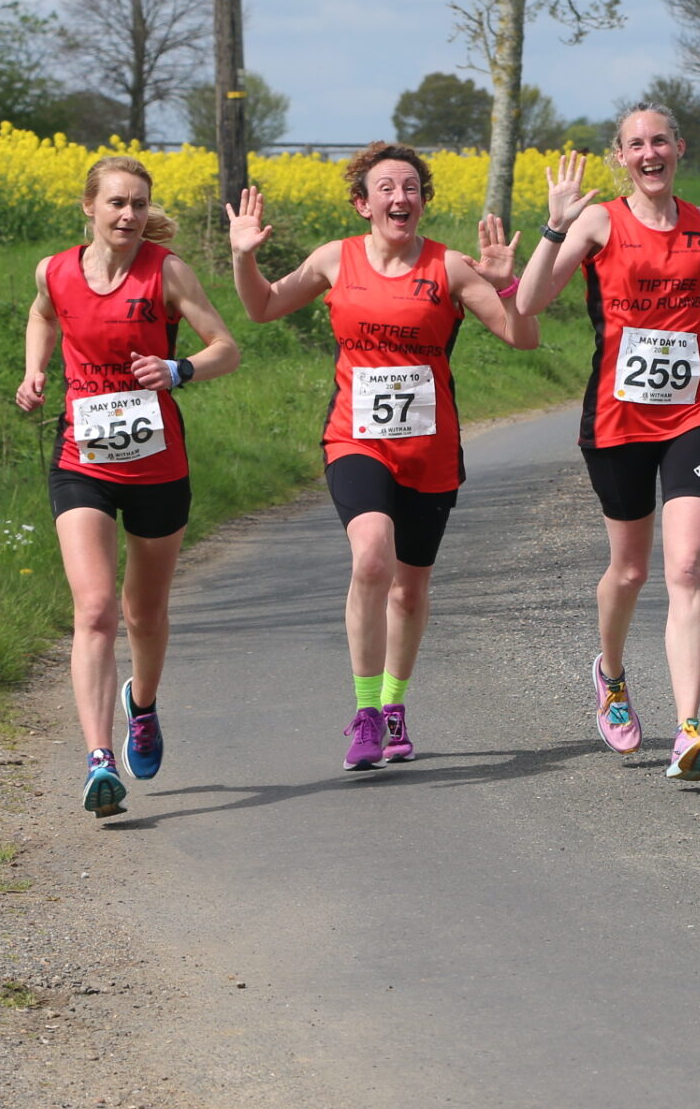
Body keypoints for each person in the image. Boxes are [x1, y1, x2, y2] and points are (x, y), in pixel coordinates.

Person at [227, 141, 541, 771]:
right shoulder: (332, 260)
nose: (401, 198)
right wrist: (243, 259)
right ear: (362, 203)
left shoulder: (449, 267)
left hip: (430, 451)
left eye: (412, 188)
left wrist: (507, 285)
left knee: (408, 590)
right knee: (372, 559)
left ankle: (396, 706)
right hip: (356, 439)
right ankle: (366, 714)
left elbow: (522, 337)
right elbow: (261, 308)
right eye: (387, 189)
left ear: (423, 200)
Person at [515, 109, 700, 781]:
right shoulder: (598, 223)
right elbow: (529, 300)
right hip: (617, 418)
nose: (650, 153)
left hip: (693, 413)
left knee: (689, 565)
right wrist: (555, 225)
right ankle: (611, 677)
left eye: (660, 142)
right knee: (631, 571)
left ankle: (689, 729)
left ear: (678, 149)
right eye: (636, 144)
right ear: (621, 157)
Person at [18, 155, 242, 816]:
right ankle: (98, 759)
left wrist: (179, 368)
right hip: (81, 458)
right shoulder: (54, 270)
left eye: (139, 204)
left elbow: (226, 347)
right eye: (117, 202)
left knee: (143, 613)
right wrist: (34, 370)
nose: (129, 215)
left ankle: (140, 705)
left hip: (158, 464)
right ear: (88, 206)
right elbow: (42, 315)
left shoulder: (167, 272)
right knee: (94, 610)